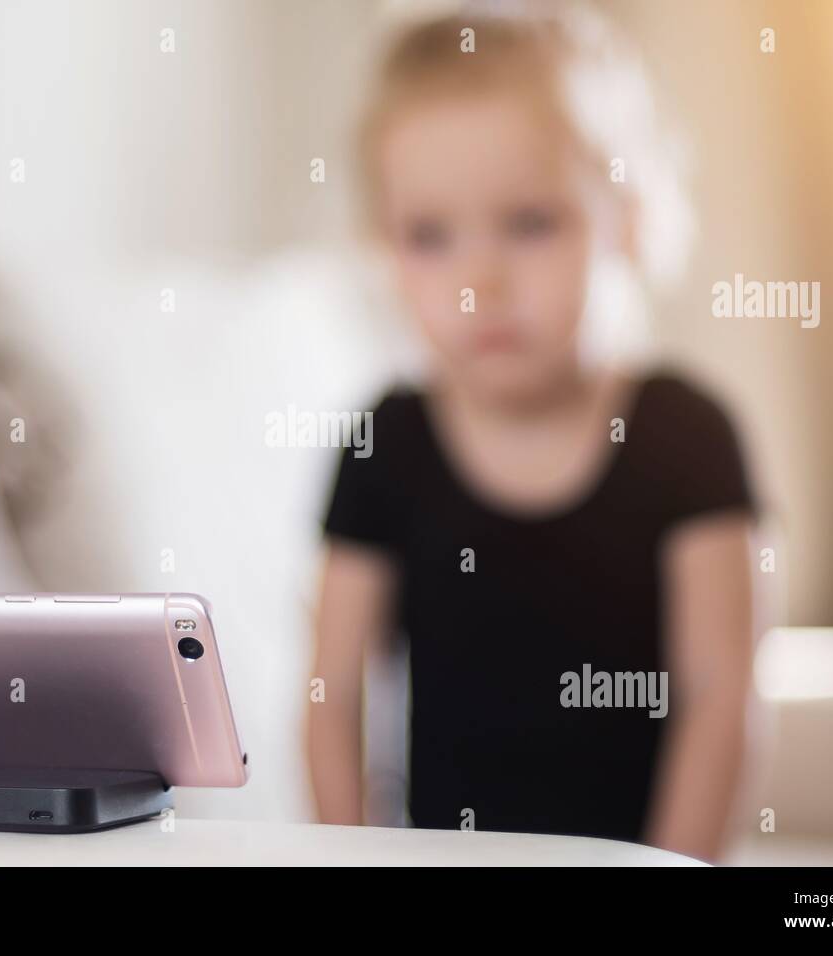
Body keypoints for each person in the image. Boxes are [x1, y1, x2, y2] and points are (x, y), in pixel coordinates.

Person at [306, 5, 758, 861]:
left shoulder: (687, 435)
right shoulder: (384, 443)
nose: (482, 280)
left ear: (625, 219)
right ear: (383, 250)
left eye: (530, 223)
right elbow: (332, 698)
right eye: (430, 236)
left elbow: (722, 700)